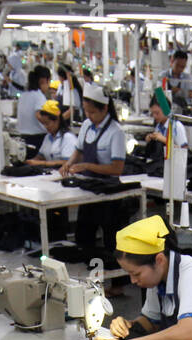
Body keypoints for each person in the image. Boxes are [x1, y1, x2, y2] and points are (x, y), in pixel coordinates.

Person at [60, 83, 129, 267]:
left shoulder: (116, 132)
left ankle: (117, 283)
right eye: (86, 112)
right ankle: (90, 276)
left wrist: (87, 165)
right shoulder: (86, 126)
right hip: (89, 189)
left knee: (112, 239)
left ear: (104, 108)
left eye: (92, 112)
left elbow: (117, 169)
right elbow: (79, 151)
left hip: (110, 193)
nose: (88, 116)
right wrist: (68, 163)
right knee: (84, 235)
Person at [26, 99, 77, 166]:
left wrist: (43, 163)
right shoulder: (48, 137)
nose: (45, 127)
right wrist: (28, 162)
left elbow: (67, 162)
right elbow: (40, 157)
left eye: (47, 123)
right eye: (43, 124)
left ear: (57, 120)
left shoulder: (68, 138)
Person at [15, 65, 53, 153]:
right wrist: (51, 124)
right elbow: (39, 115)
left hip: (23, 138)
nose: (49, 85)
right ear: (44, 81)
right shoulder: (38, 95)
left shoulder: (24, 95)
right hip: (37, 139)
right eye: (49, 81)